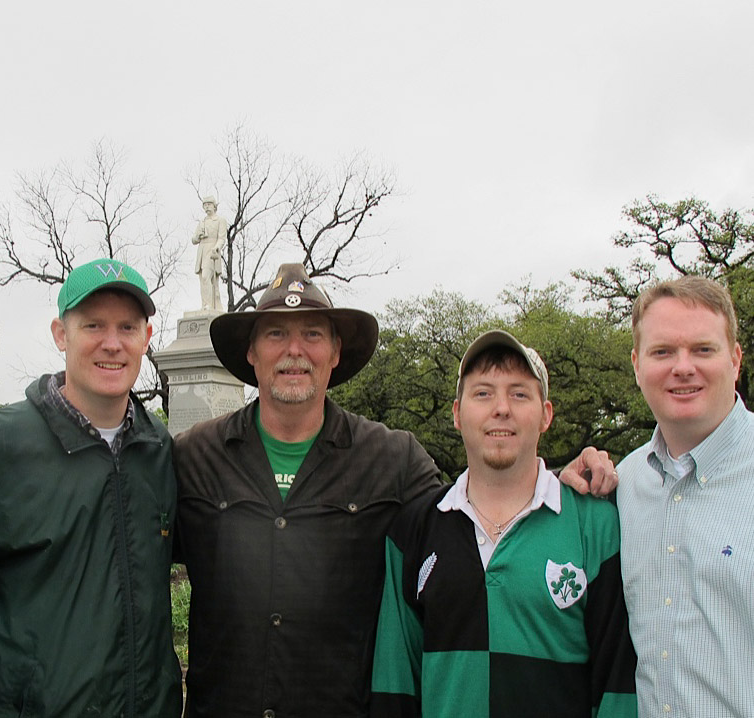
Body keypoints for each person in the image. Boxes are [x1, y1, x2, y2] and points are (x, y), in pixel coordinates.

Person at [173, 263, 618, 717]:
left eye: (312, 334)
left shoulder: (392, 459)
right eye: (275, 335)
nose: (294, 350)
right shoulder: (192, 457)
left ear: (335, 352)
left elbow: (472, 510)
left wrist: (556, 481)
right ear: (251, 352)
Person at [370, 330, 637, 717]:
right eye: (483, 393)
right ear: (457, 413)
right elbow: (395, 685)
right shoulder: (413, 530)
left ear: (546, 414)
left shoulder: (595, 523)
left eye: (519, 393)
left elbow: (617, 685)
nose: (501, 408)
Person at [0, 259, 181, 718]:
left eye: (127, 327)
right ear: (61, 334)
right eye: (93, 325)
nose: (112, 343)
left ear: (146, 337)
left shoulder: (159, 450)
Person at [618, 275, 754, 716]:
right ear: (637, 364)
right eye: (663, 352)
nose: (683, 367)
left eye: (702, 349)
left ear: (735, 359)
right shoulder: (623, 484)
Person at [191, 195, 227, 311]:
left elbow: (222, 238)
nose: (207, 207)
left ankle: (210, 305)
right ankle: (205, 304)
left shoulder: (220, 220)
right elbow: (193, 240)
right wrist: (198, 236)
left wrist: (216, 247)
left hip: (212, 251)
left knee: (207, 276)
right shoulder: (202, 222)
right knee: (203, 279)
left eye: (209, 204)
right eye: (205, 205)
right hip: (202, 251)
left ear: (214, 205)